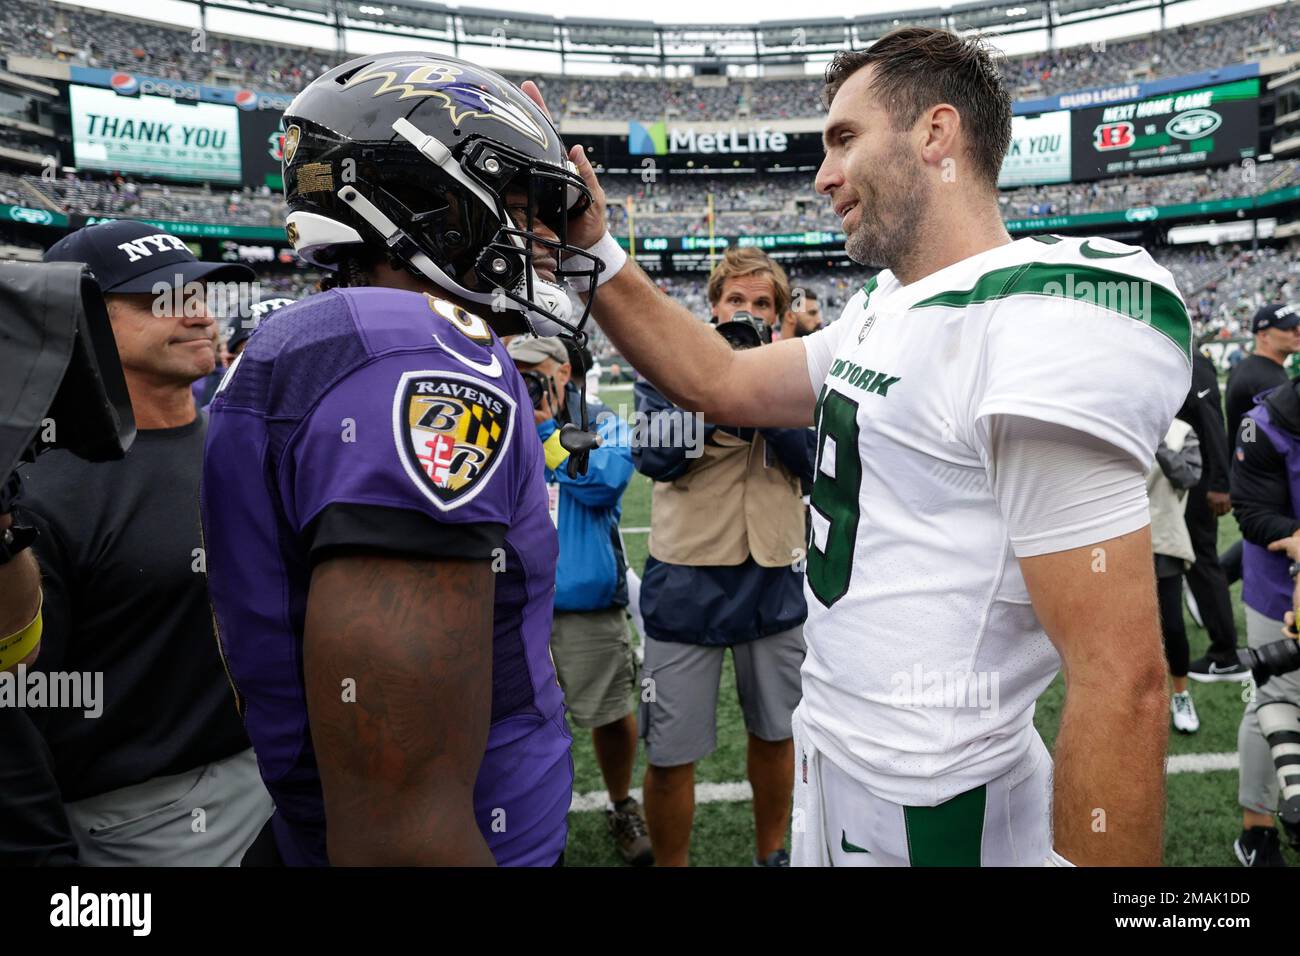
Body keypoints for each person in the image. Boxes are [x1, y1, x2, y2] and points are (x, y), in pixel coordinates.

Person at [524, 24, 1189, 865]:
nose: (823, 174)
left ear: (935, 134)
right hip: (838, 752)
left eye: (844, 139)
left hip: (938, 794)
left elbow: (1121, 679)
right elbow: (719, 384)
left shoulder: (1034, 316)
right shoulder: (886, 307)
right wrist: (596, 251)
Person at [201, 52, 604, 866]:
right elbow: (399, 810)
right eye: (523, 205)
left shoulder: (334, 341)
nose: (550, 240)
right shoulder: (418, 354)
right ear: (432, 200)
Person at [0, 220, 271, 866]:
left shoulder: (247, 442)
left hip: (278, 780)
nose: (198, 314)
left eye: (198, 293)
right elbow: (15, 711)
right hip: (139, 824)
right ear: (78, 316)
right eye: (160, 298)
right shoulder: (39, 489)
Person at [632, 258, 815, 868]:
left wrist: (758, 398)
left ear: (780, 315)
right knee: (670, 750)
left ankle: (772, 854)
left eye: (762, 305)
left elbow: (817, 461)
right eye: (736, 299)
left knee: (777, 733)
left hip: (774, 575)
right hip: (687, 576)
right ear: (712, 305)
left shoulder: (803, 368)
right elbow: (652, 454)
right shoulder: (670, 359)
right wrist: (711, 398)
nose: (747, 313)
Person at [506, 334, 650, 866]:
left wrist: (546, 427)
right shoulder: (497, 418)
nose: (525, 382)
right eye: (518, 372)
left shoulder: (601, 420)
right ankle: (525, 816)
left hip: (586, 607)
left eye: (535, 372)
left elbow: (606, 481)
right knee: (515, 725)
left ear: (564, 373)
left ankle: (619, 802)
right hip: (515, 611)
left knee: (610, 713)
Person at [1227, 376, 1300, 866]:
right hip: (1280, 591)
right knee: (1274, 699)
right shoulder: (1265, 426)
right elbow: (1252, 513)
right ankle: (1258, 829)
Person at [1184, 349, 1248, 682]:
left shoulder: (1186, 357)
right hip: (1178, 478)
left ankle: (1225, 653)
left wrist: (1220, 483)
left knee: (1201, 561)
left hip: (1194, 481)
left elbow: (1211, 421)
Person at [1147, 415, 1202, 733]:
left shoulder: (1182, 431)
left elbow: (1186, 476)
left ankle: (1180, 694)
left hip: (1163, 539)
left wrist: (1154, 439)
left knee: (1172, 625)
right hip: (1115, 538)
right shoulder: (1113, 420)